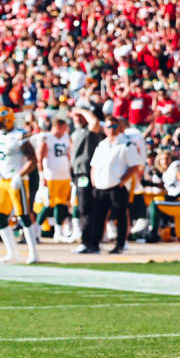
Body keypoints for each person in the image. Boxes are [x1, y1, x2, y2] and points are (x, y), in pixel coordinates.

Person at [0, 106, 39, 264]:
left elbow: (33, 160)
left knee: (23, 215)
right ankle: (12, 252)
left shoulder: (20, 136)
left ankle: (33, 252)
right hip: (2, 180)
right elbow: (0, 156)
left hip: (17, 180)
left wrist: (20, 175)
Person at [90, 117, 144, 254]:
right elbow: (94, 166)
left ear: (119, 128)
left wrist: (122, 181)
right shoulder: (102, 144)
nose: (111, 130)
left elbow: (134, 166)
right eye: (108, 127)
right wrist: (94, 181)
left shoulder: (126, 144)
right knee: (98, 216)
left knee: (120, 216)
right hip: (101, 186)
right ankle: (95, 243)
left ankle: (120, 244)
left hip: (116, 186)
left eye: (114, 126)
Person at [70, 107, 105, 254]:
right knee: (84, 207)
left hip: (87, 173)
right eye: (75, 116)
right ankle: (90, 242)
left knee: (87, 207)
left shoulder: (90, 132)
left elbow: (95, 122)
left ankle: (89, 242)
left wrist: (81, 109)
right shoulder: (75, 132)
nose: (77, 118)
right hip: (78, 173)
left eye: (80, 116)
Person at [36, 115, 74, 242]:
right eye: (63, 127)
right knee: (48, 204)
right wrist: (42, 175)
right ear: (57, 126)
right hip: (51, 176)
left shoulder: (66, 138)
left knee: (61, 204)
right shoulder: (47, 138)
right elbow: (39, 157)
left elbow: (68, 155)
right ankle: (35, 230)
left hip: (64, 176)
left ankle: (58, 232)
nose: (65, 130)